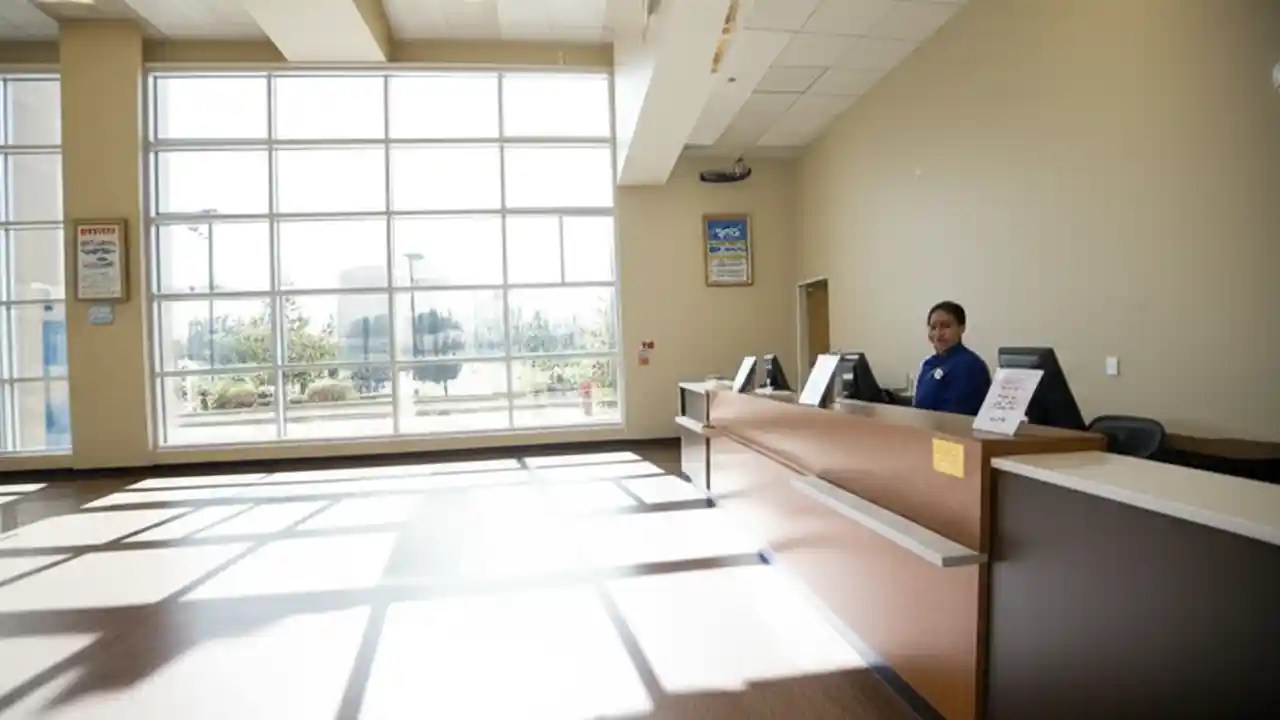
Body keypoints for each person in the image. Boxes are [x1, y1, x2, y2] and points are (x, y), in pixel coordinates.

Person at [913, 301, 991, 416]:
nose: (938, 333)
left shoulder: (970, 365)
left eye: (946, 326)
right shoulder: (928, 364)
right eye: (933, 328)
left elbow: (955, 414)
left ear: (961, 328)